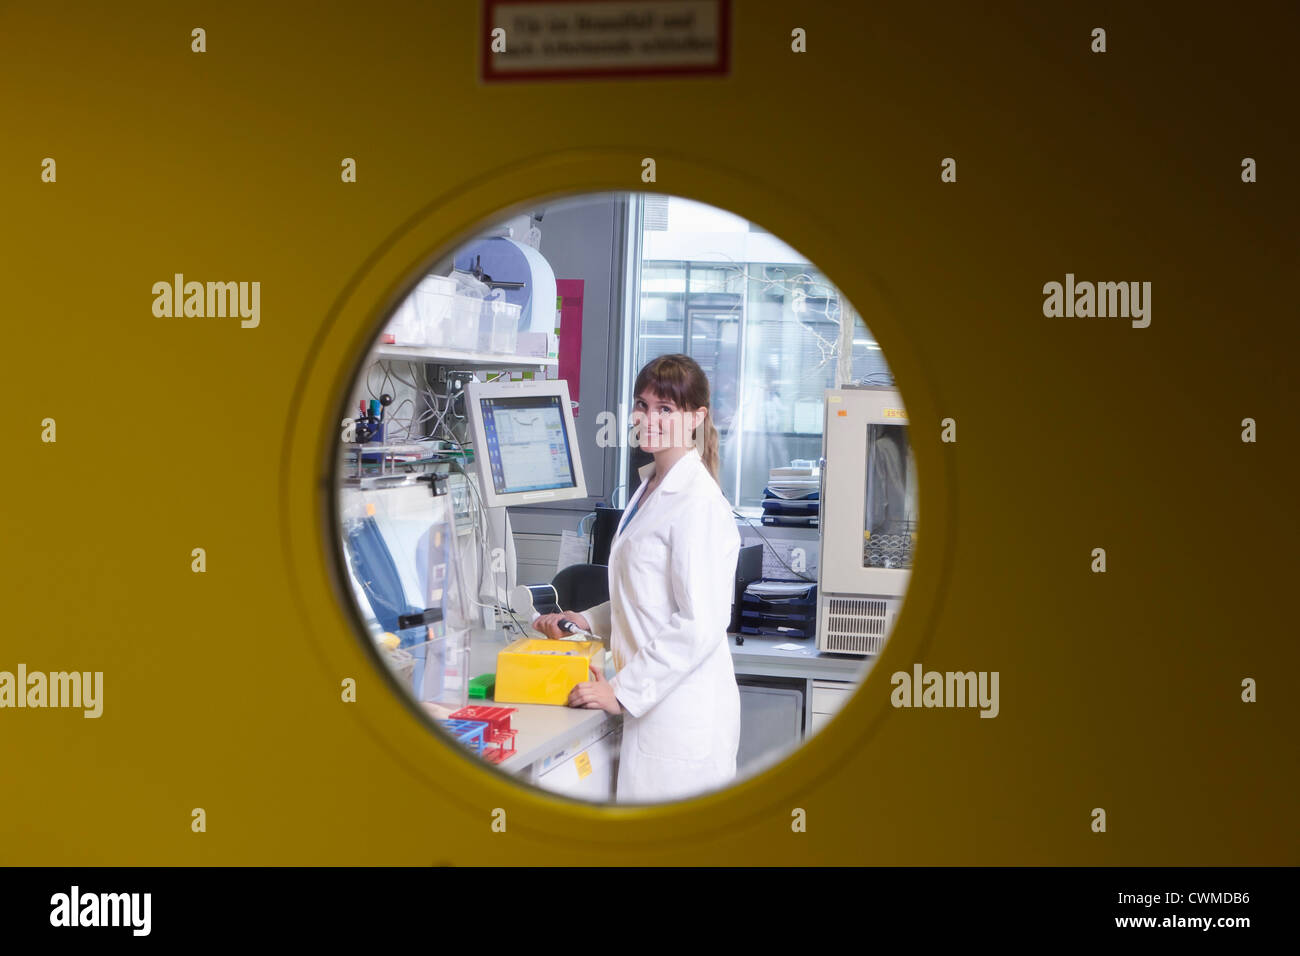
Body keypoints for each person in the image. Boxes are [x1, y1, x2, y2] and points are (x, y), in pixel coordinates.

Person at [534, 354, 742, 803]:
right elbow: (646, 595)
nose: (648, 418)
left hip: (680, 718)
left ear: (696, 418)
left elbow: (699, 623)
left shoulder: (697, 502)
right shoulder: (651, 486)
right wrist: (589, 621)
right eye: (642, 405)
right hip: (657, 713)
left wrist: (621, 693)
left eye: (665, 409)